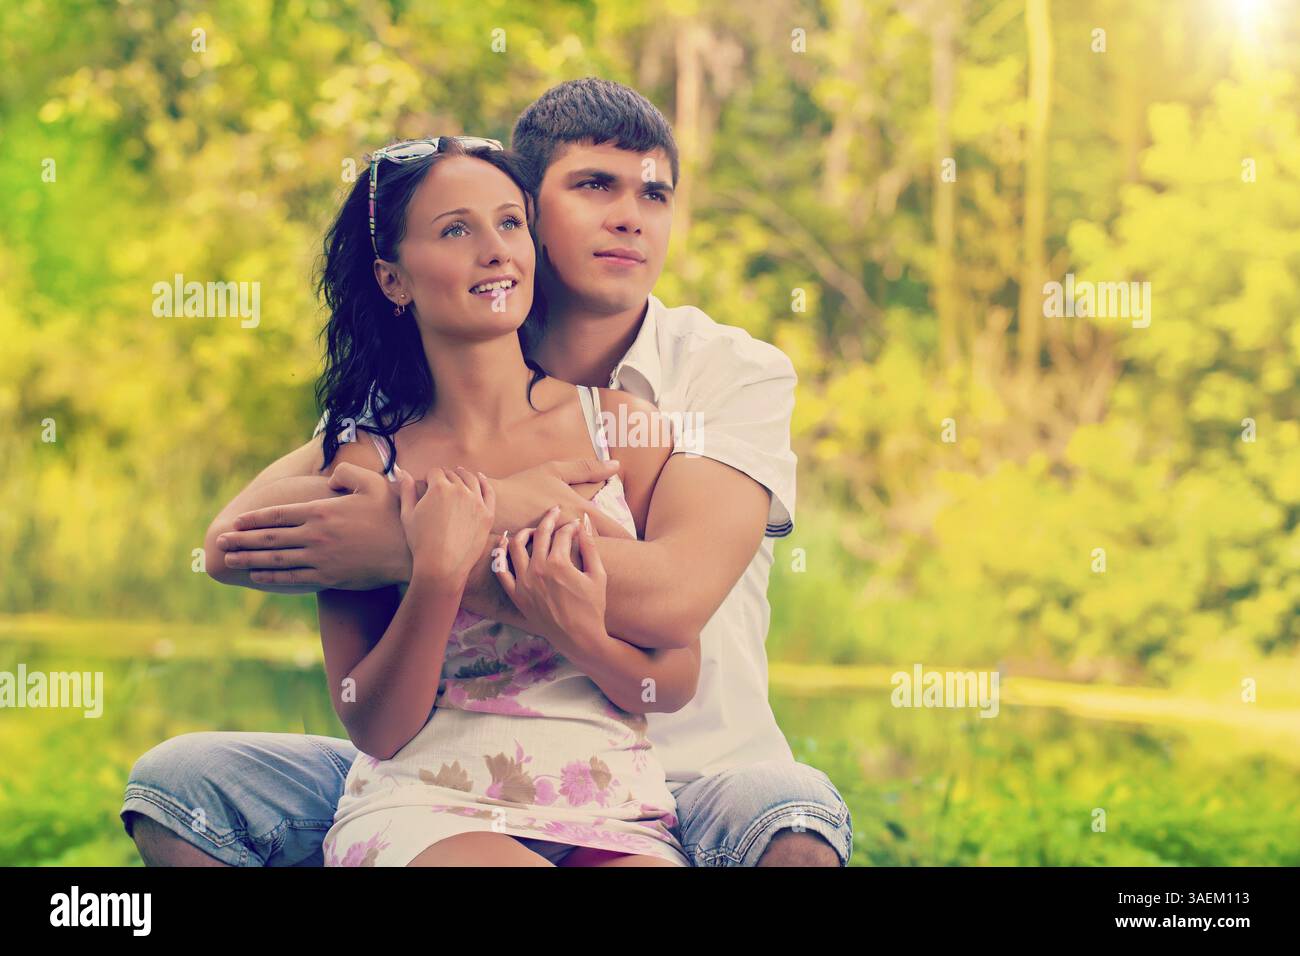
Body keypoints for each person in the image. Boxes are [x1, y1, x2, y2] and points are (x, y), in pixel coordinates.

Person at [122, 77, 852, 867]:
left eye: (655, 193)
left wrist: (423, 535)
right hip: (432, 773)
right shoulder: (417, 388)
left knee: (795, 817)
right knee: (180, 784)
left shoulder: (719, 375)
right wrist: (461, 520)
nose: (630, 215)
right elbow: (233, 545)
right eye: (595, 185)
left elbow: (674, 602)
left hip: (683, 778)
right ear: (534, 210)